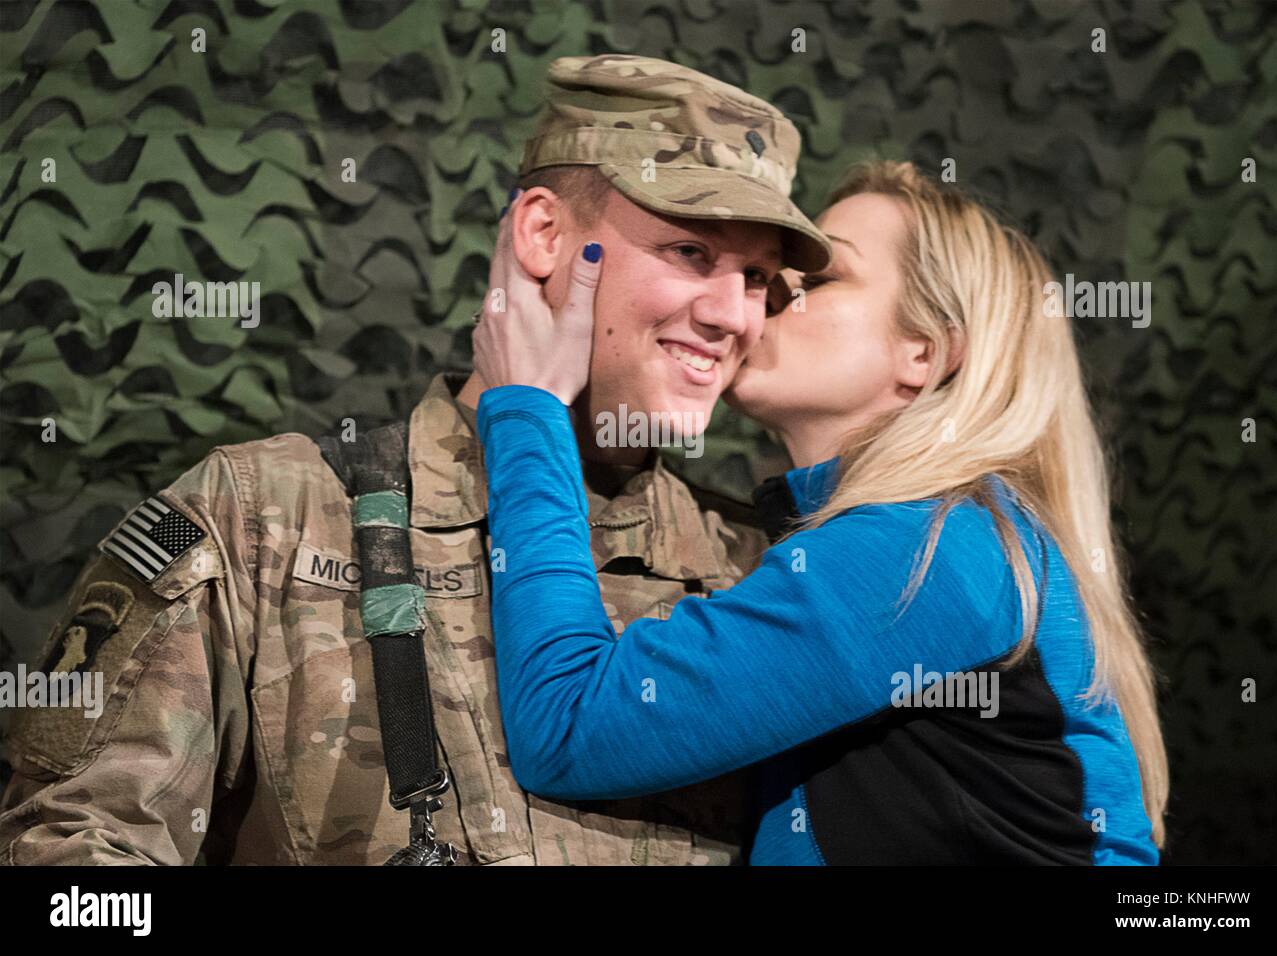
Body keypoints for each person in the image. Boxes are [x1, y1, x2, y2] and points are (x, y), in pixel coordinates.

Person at [0, 54, 833, 865]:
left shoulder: (762, 570)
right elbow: (72, 851)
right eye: (692, 253)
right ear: (543, 233)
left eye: (759, 278)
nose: (735, 315)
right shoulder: (265, 518)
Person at [472, 160, 1168, 864]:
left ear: (925, 352)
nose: (757, 305)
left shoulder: (924, 546)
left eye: (815, 282)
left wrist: (529, 404)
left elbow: (569, 726)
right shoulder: (945, 532)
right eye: (769, 281)